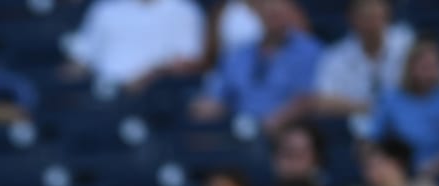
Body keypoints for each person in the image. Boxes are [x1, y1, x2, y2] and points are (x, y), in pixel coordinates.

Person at [191, 0, 322, 128]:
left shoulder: (309, 51)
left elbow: (309, 98)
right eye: (269, 13)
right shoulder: (239, 54)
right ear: (258, 15)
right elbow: (217, 93)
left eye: (278, 13)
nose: (274, 18)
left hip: (289, 127)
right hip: (240, 127)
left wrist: (278, 120)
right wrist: (208, 106)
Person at [369, 36, 439, 176]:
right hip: (400, 171)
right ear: (410, 68)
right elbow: (374, 142)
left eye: (434, 66)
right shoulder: (390, 98)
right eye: (424, 67)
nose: (429, 73)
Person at [61, 0, 207, 94]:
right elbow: (82, 58)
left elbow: (189, 61)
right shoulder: (105, 8)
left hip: (157, 96)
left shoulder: (184, 10)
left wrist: (150, 76)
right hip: (104, 94)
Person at [306, 0, 414, 118]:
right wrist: (371, 108)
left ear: (387, 12)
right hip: (354, 127)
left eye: (374, 13)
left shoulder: (408, 43)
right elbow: (322, 102)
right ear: (351, 18)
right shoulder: (335, 56)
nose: (370, 18)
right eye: (364, 14)